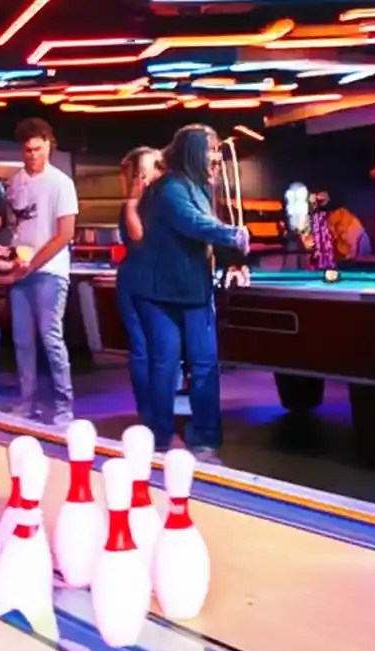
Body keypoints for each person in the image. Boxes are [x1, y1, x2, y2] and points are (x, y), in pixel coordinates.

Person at [132, 124, 250, 459]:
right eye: (210, 149)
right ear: (192, 153)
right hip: (160, 295)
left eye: (216, 150)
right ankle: (159, 436)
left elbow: (206, 230)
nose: (216, 157)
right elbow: (193, 224)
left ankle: (207, 436)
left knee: (204, 365)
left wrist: (232, 261)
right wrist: (232, 235)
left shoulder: (199, 188)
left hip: (193, 291)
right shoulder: (171, 188)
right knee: (166, 365)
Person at [3, 118, 79, 425]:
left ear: (49, 145)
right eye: (28, 150)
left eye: (38, 148)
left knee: (50, 337)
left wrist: (31, 263)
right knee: (22, 340)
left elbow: (65, 233)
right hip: (22, 270)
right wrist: (14, 259)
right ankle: (27, 402)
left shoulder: (61, 183)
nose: (32, 154)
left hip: (50, 271)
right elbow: (15, 225)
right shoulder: (15, 181)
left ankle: (64, 406)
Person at [116, 146, 163, 427]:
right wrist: (133, 202)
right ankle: (150, 415)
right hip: (139, 281)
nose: (153, 175)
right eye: (145, 171)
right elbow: (137, 236)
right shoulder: (135, 204)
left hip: (143, 279)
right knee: (145, 350)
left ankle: (153, 413)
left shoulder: (156, 200)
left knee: (151, 350)